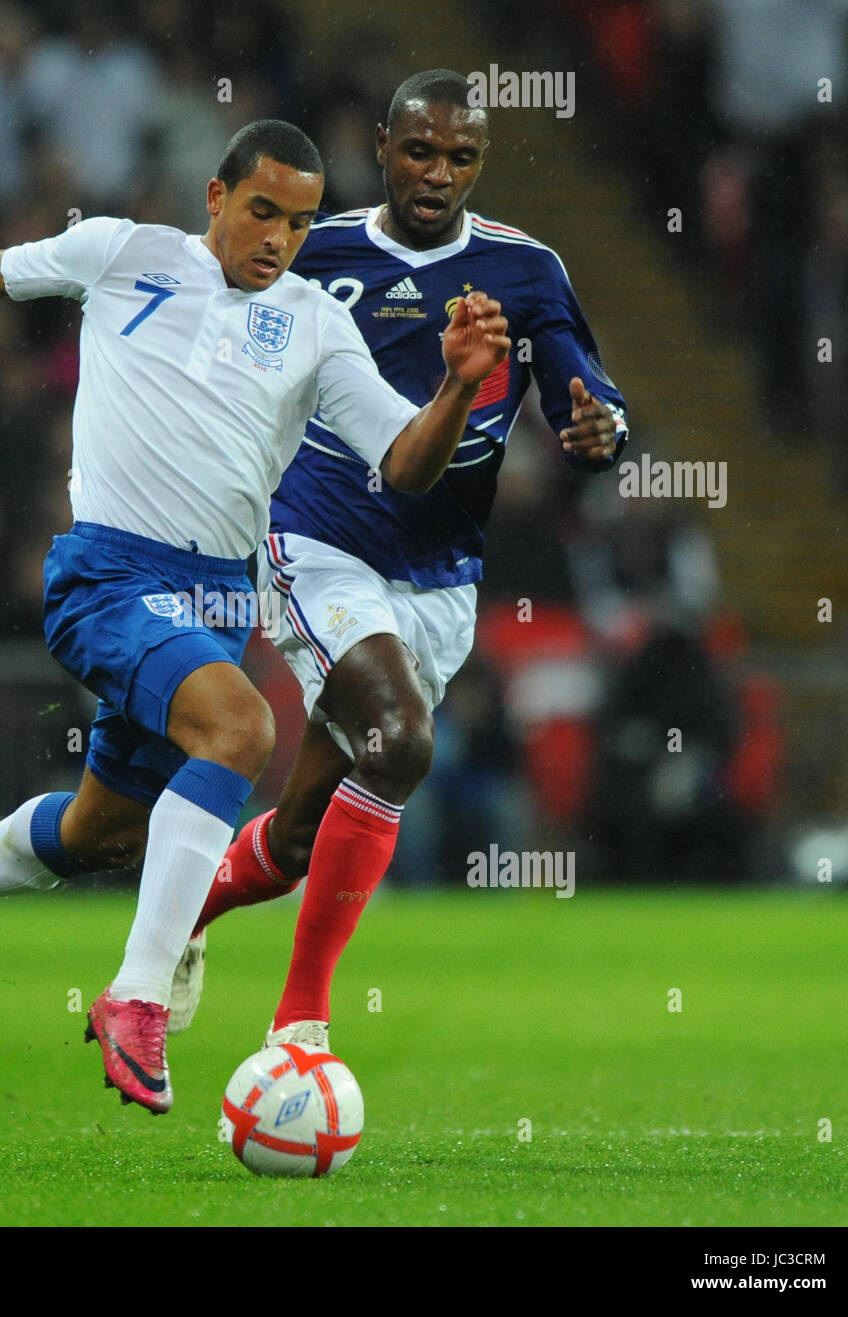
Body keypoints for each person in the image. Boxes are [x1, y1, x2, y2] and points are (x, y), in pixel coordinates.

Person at [0, 119, 510, 1113]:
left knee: (100, 836)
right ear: (215, 198)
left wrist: (456, 393)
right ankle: (135, 994)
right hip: (109, 577)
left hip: (216, 604)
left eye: (299, 224)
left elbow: (403, 463)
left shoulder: (313, 323)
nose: (277, 239)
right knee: (243, 728)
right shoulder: (125, 253)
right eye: (261, 211)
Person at [179, 69, 630, 1052]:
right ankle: (300, 1028)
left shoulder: (525, 271)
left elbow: (585, 401)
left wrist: (600, 431)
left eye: (459, 157)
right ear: (382, 145)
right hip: (318, 547)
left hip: (441, 585)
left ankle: (178, 919)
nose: (436, 173)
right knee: (404, 738)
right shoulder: (317, 248)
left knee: (297, 839)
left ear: (481, 161)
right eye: (418, 151)